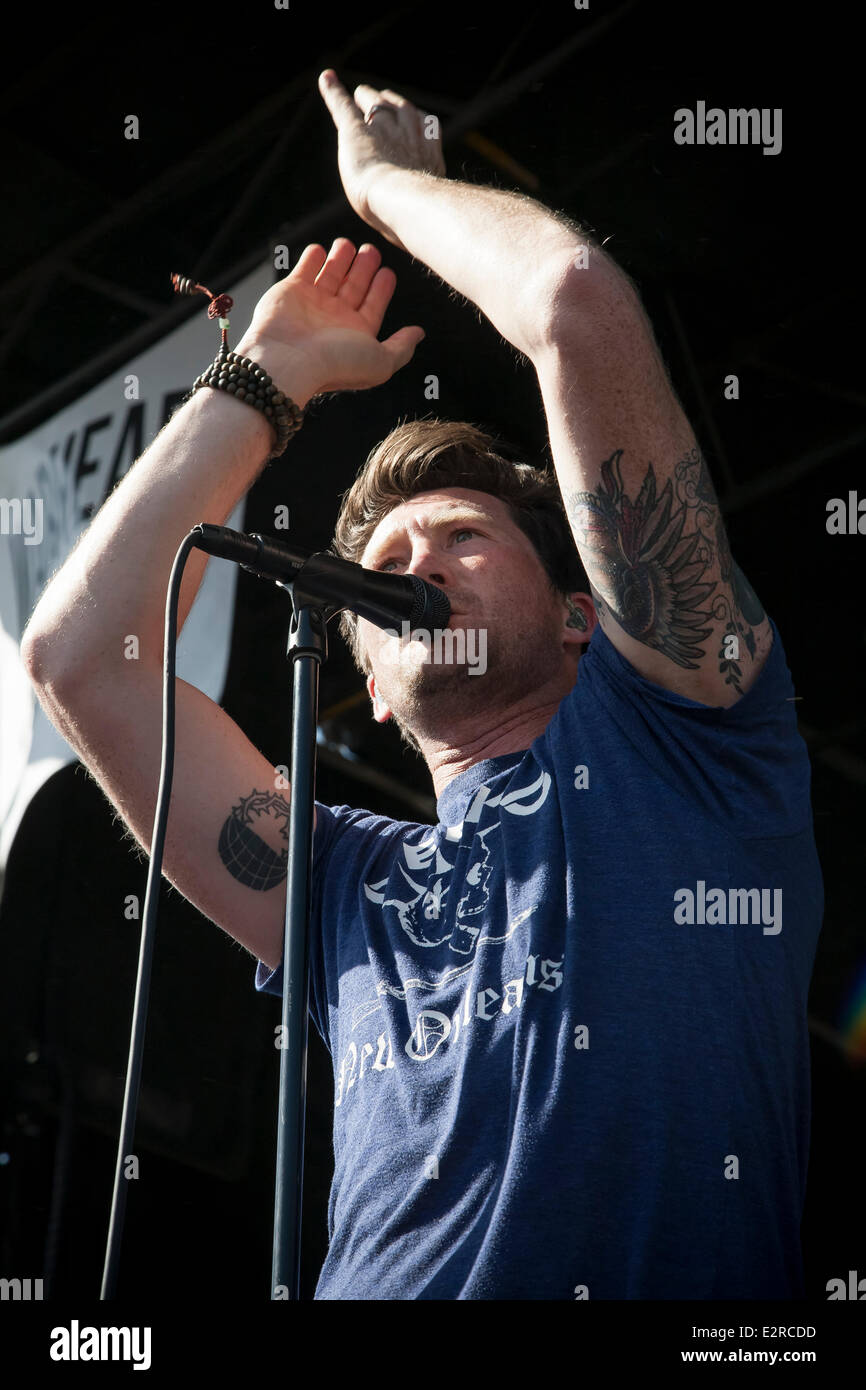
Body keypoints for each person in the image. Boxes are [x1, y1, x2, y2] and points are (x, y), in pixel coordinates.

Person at [21, 71, 823, 1300]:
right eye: (386, 564)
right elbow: (78, 656)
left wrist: (389, 190)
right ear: (376, 695)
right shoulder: (341, 882)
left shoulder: (685, 736)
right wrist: (261, 378)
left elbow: (571, 305)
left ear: (577, 619)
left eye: (461, 537)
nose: (415, 564)